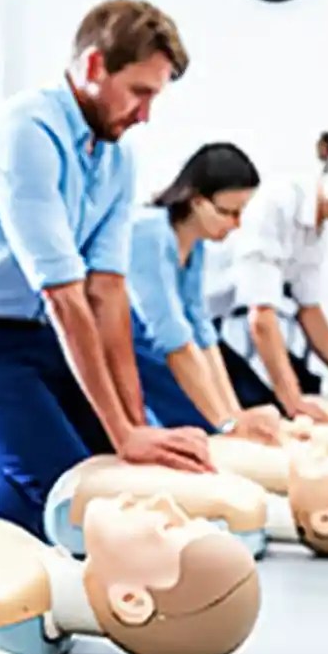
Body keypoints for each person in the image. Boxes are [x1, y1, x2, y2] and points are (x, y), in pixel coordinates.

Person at [0, 0, 211, 542]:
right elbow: (65, 295)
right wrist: (122, 430)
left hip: (40, 338)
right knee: (61, 508)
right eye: (139, 92)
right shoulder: (26, 129)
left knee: (119, 476)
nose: (145, 114)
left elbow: (107, 292)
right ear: (94, 66)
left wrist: (132, 429)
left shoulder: (117, 155)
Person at [209, 135, 328, 423]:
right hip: (199, 321)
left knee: (304, 388)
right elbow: (261, 318)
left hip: (228, 323)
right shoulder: (277, 203)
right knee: (260, 411)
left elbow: (309, 309)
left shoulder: (315, 228)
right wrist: (291, 400)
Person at [127, 142, 279, 442]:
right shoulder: (149, 232)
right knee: (199, 431)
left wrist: (233, 414)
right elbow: (171, 335)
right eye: (228, 212)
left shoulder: (195, 246)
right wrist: (225, 424)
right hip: (127, 353)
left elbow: (201, 329)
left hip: (155, 351)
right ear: (196, 201)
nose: (236, 224)